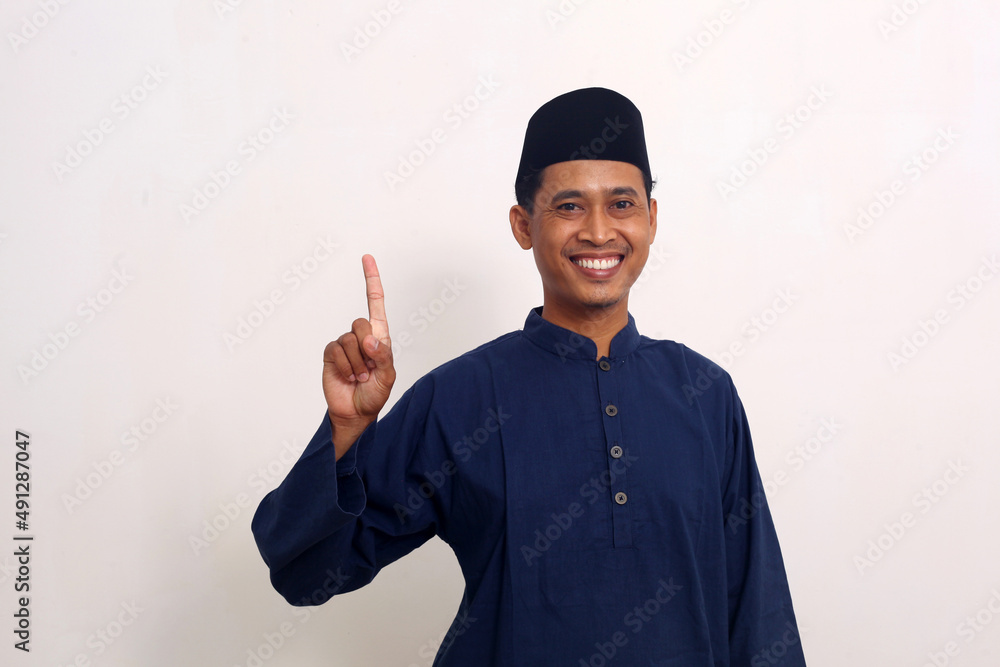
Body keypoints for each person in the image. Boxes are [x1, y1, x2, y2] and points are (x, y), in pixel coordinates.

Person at [251, 87, 807, 666]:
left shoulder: (704, 394)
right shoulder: (462, 396)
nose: (598, 231)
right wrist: (346, 433)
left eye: (622, 204)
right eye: (568, 206)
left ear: (651, 218)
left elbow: (758, 609)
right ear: (522, 225)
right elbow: (304, 573)